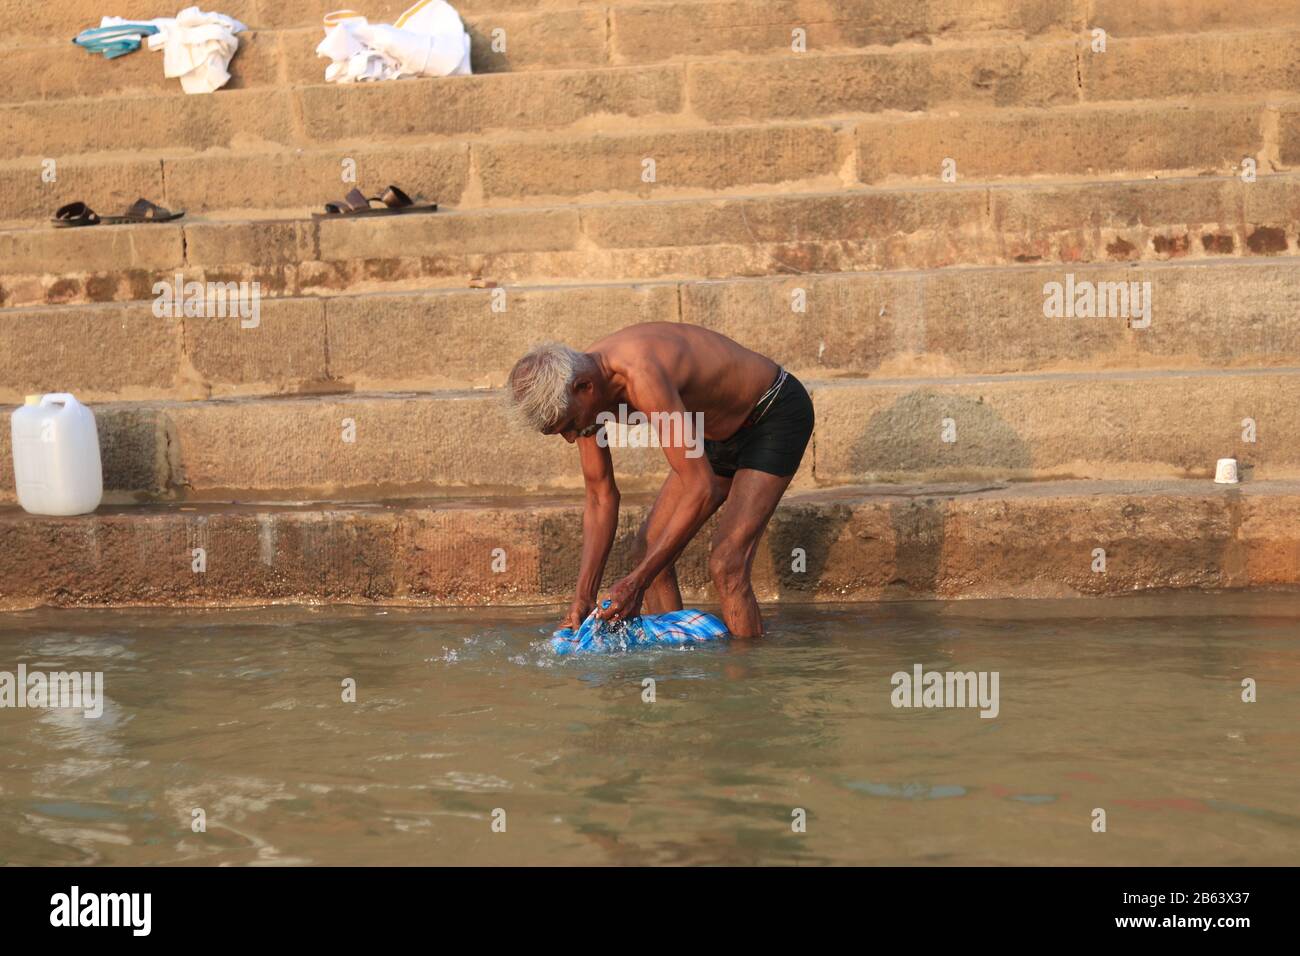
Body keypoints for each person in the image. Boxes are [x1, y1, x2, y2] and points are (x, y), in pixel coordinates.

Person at [504, 323, 814, 637]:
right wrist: (583, 596)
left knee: (727, 563)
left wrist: (635, 583)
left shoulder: (640, 374)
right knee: (647, 551)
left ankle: (748, 678)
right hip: (712, 432)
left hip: (771, 414)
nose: (572, 438)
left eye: (570, 425)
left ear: (585, 388)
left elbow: (700, 486)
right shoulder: (581, 392)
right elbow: (601, 497)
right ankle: (679, 675)